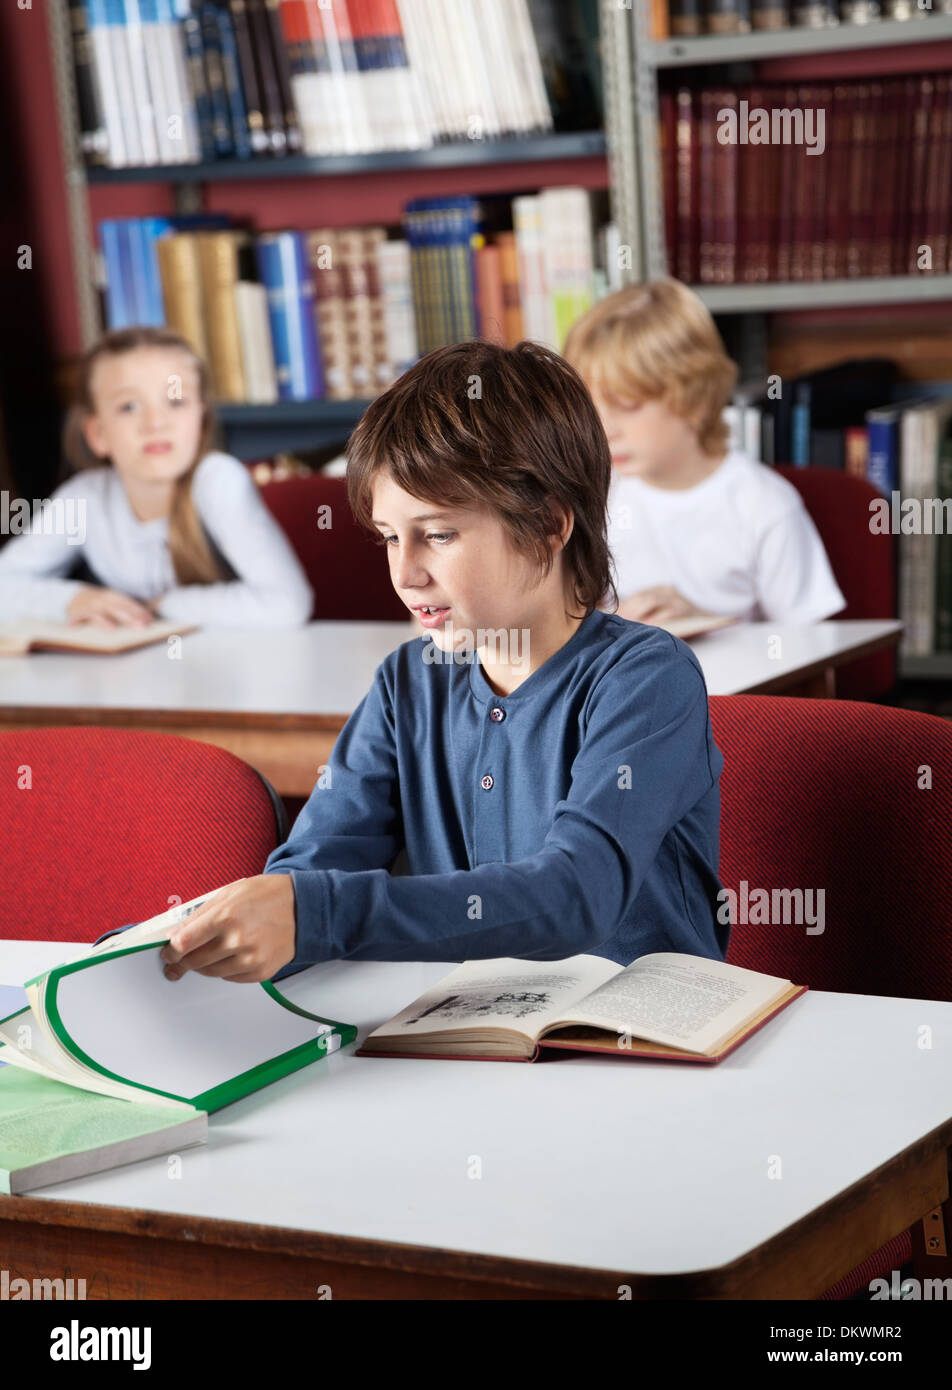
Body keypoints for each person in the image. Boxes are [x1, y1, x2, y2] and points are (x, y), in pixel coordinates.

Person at [147, 339, 726, 986]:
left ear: (549, 525)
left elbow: (577, 894)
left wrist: (319, 912)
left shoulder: (647, 678)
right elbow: (313, 870)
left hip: (646, 1044)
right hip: (467, 1038)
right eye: (390, 538)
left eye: (439, 535)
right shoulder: (406, 685)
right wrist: (177, 949)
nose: (405, 573)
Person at [561, 278, 846, 627]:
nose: (605, 429)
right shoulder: (596, 496)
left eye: (627, 405)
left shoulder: (764, 505)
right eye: (592, 407)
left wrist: (709, 622)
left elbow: (813, 649)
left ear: (695, 399)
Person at [0, 326, 312, 627]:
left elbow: (288, 603)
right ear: (98, 434)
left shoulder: (218, 480)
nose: (155, 423)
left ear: (201, 420)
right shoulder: (85, 498)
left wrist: (162, 607)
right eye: (129, 406)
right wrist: (72, 600)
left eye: (176, 402)